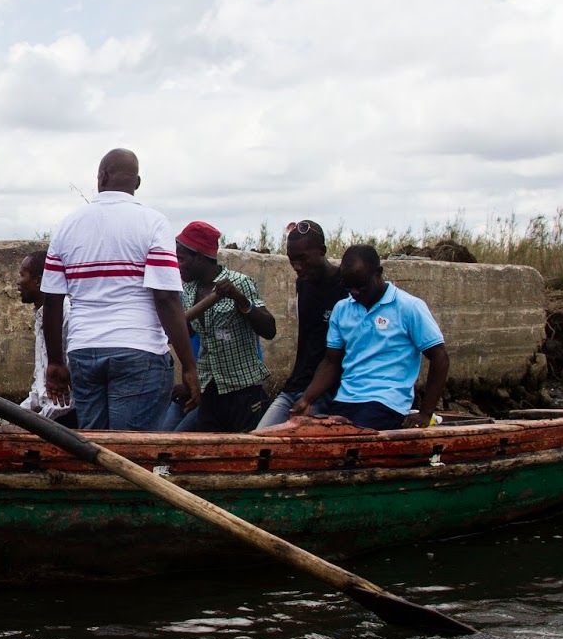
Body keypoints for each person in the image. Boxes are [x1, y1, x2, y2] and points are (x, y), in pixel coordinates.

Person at [42, 148, 198, 431]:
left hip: (84, 350)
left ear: (101, 177)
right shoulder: (153, 223)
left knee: (94, 446)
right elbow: (165, 298)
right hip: (139, 350)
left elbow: (51, 301)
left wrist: (55, 362)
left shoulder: (67, 226)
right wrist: (188, 365)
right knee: (132, 448)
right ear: (137, 183)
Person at [291, 244, 450, 431]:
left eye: (361, 287)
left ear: (378, 273)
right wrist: (307, 398)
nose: (355, 293)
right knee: (325, 431)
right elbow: (331, 362)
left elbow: (440, 357)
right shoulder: (342, 309)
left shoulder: (409, 307)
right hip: (346, 399)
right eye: (349, 287)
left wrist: (425, 413)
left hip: (386, 401)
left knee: (352, 434)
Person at [158, 221, 276, 433]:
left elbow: (269, 329)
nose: (177, 265)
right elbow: (189, 332)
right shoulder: (188, 290)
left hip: (244, 390)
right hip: (210, 390)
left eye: (181, 259)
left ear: (200, 258)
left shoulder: (239, 283)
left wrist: (240, 300)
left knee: (244, 447)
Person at [257, 220, 349, 429]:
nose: (297, 266)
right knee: (260, 436)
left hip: (326, 391)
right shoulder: (303, 284)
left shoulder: (344, 287)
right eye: (292, 259)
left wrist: (311, 395)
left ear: (322, 251)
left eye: (303, 258)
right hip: (296, 386)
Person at [16, 250, 75, 426]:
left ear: (38, 281)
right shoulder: (41, 315)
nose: (18, 282)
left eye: (22, 275)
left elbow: (69, 396)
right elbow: (40, 387)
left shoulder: (66, 313)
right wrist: (14, 414)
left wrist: (37, 422)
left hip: (65, 419)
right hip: (50, 416)